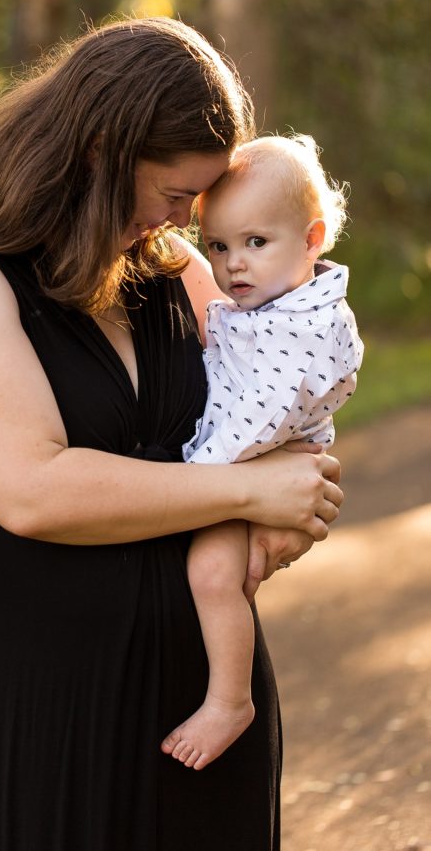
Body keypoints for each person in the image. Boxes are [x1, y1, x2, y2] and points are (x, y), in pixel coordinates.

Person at [0, 18, 343, 851]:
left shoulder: (175, 267)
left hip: (200, 710)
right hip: (41, 706)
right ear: (100, 150)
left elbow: (276, 413)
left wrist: (293, 503)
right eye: (175, 193)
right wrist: (249, 490)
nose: (185, 217)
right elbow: (31, 490)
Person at [161, 134, 364, 774]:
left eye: (255, 243)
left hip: (245, 471)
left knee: (215, 576)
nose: (232, 265)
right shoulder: (271, 303)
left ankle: (230, 699)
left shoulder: (311, 323)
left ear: (312, 240)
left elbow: (262, 418)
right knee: (219, 576)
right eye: (218, 246)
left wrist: (189, 479)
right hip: (244, 471)